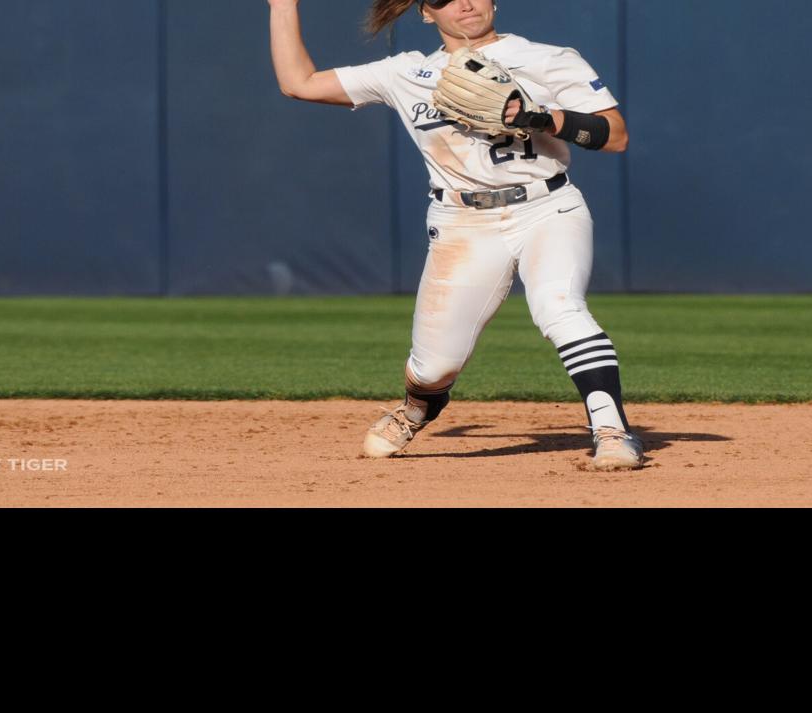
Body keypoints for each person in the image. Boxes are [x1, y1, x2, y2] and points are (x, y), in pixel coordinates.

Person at [267, 0, 643, 470]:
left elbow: (616, 135)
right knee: (433, 367)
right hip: (462, 225)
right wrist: (282, 6)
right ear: (426, 14)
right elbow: (298, 84)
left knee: (560, 307)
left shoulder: (547, 58)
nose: (465, 4)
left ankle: (611, 431)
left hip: (548, 207)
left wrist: (540, 117)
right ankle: (418, 406)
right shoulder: (405, 73)